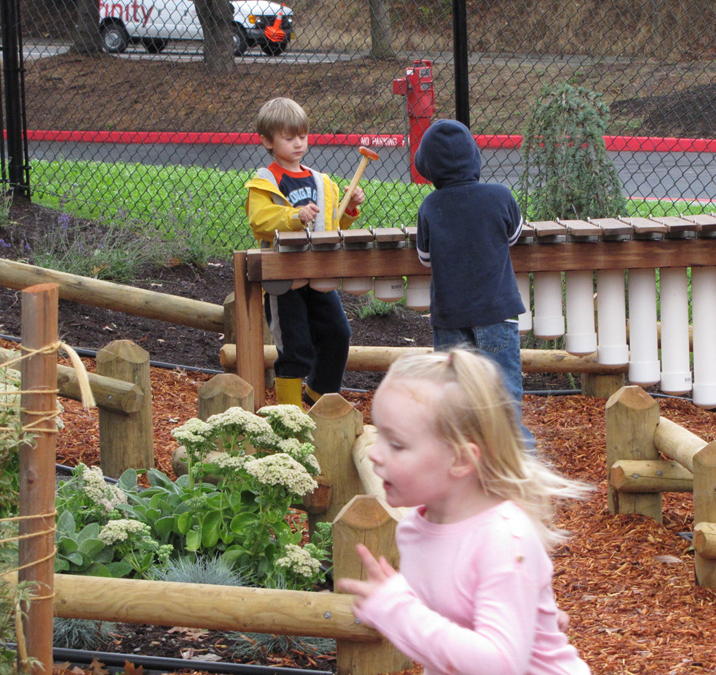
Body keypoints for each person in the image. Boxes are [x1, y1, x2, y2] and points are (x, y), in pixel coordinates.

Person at [337, 348, 592, 675]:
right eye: (378, 435)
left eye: (396, 444)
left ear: (460, 460)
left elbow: (498, 664)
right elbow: (447, 631)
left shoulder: (503, 539)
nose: (374, 454)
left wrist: (398, 610)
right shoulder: (413, 530)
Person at [412, 118, 536, 449]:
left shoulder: (430, 206)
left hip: (450, 317)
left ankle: (461, 469)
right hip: (497, 314)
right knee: (505, 398)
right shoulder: (500, 195)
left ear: (428, 168)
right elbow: (513, 235)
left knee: (455, 402)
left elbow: (425, 258)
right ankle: (520, 474)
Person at [245, 97, 365, 407]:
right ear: (268, 141)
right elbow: (260, 221)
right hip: (283, 279)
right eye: (289, 137)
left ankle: (318, 397)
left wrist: (350, 208)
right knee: (295, 347)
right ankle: (290, 413)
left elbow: (332, 224)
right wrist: (293, 217)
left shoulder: (321, 181)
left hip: (318, 273)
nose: (299, 143)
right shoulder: (265, 182)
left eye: (303, 136)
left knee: (338, 334)